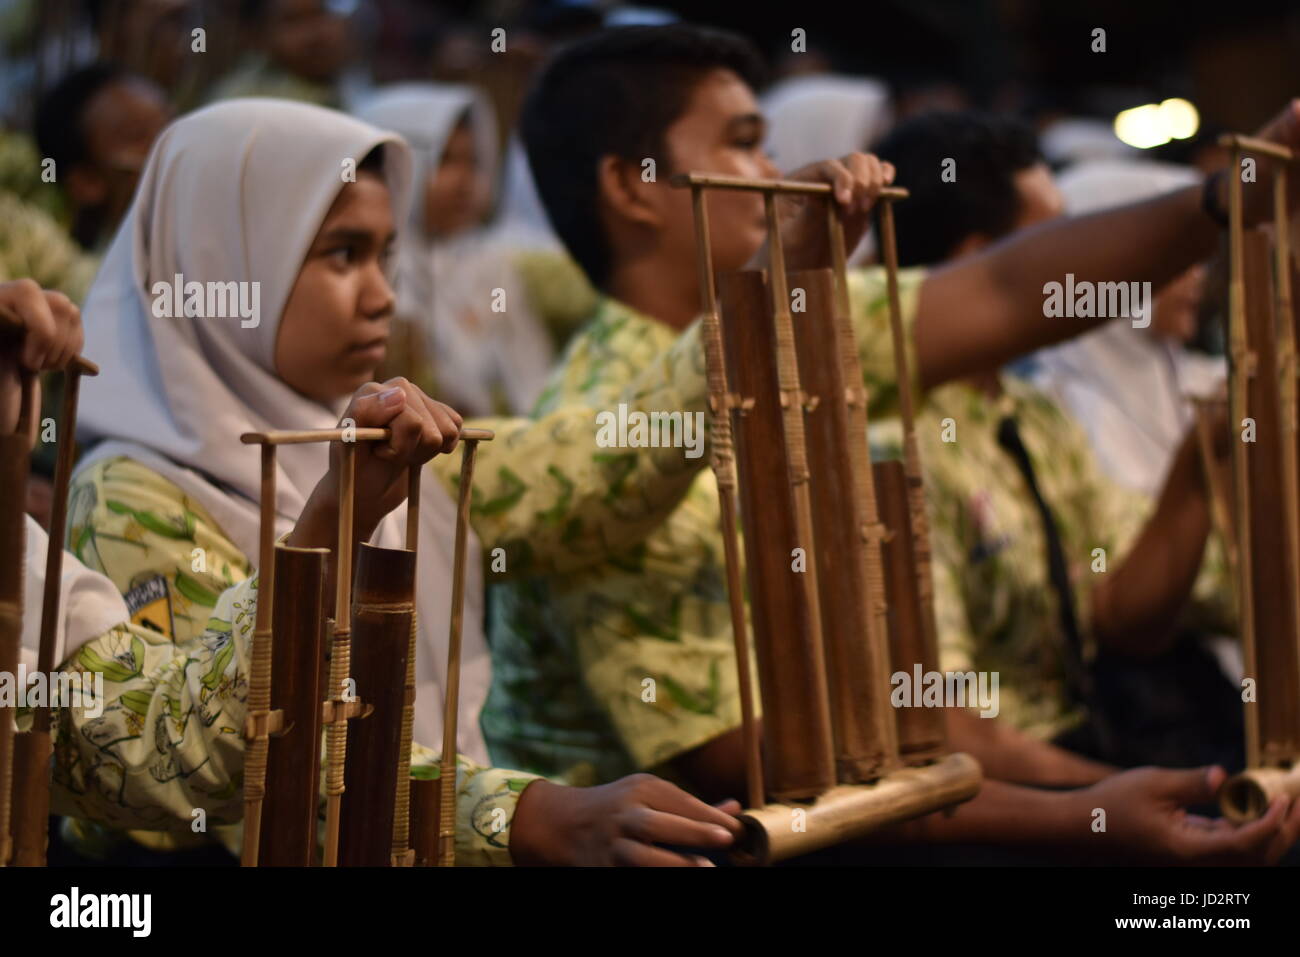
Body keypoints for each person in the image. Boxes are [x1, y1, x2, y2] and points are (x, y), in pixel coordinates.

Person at [468, 23, 1300, 862]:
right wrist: (1085, 812)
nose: (776, 176)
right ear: (634, 187)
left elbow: (1008, 289)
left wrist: (1227, 199)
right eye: (747, 147)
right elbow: (758, 763)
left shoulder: (787, 322)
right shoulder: (618, 434)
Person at [58, 99, 741, 865]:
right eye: (342, 254)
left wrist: (742, 325)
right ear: (223, 258)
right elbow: (241, 774)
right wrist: (528, 814)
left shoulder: (379, 434)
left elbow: (581, 472)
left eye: (387, 254)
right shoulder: (132, 495)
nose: (383, 294)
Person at [356, 83, 592, 416]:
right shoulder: (378, 266)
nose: (465, 181)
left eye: (474, 161)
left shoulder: (488, 259)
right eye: (445, 159)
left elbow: (532, 373)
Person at [1027, 158, 1225, 498]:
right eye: (1175, 259)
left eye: (1197, 258)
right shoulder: (1060, 406)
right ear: (1113, 267)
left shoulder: (1184, 379)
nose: (1198, 275)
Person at [34, 62, 170, 253]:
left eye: (171, 124)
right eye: (138, 135)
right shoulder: (94, 279)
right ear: (87, 182)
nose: (171, 144)